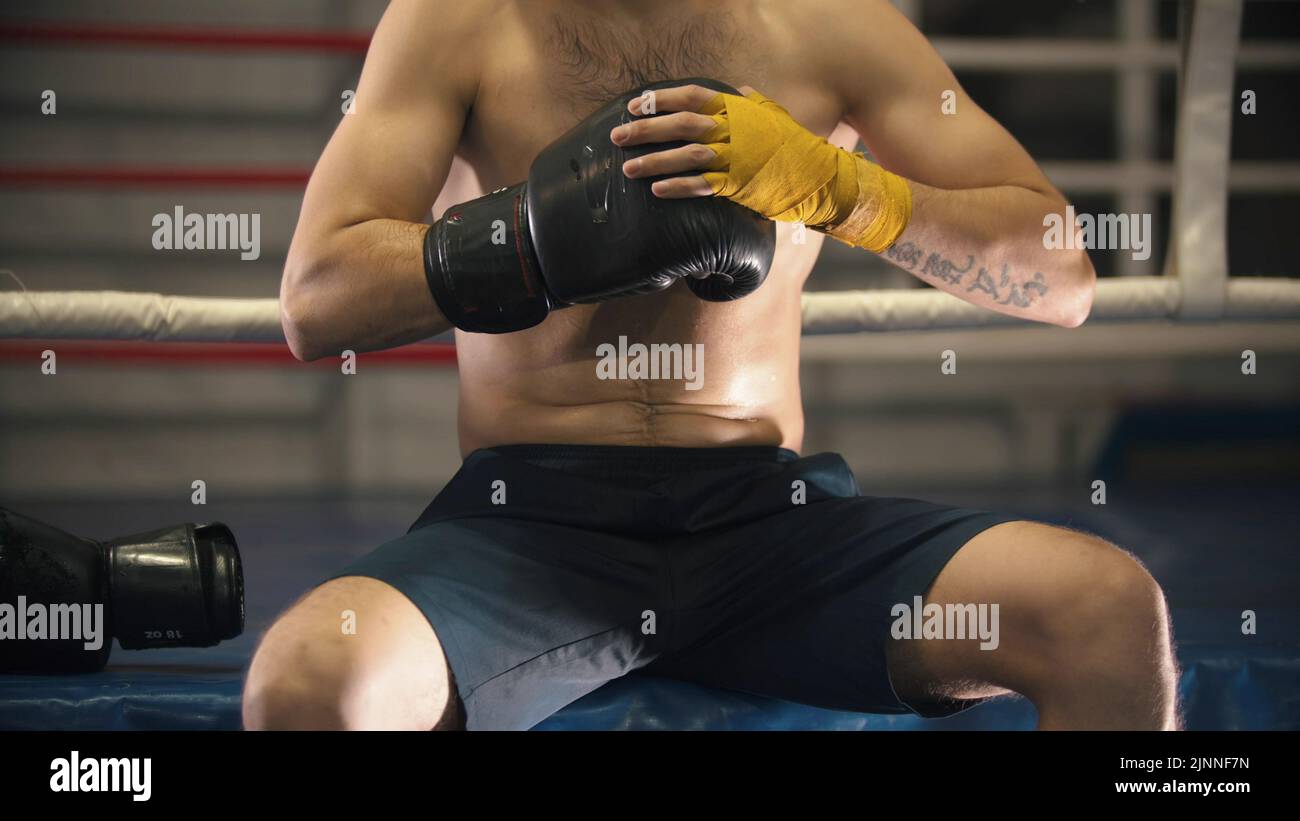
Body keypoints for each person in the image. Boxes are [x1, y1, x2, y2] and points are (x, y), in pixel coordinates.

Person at [243, 0, 1178, 730]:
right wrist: (533, 241)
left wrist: (838, 188)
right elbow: (317, 298)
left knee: (1104, 610)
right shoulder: (460, 21)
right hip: (526, 533)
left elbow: (1062, 276)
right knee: (312, 681)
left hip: (771, 530)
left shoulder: (829, 25)